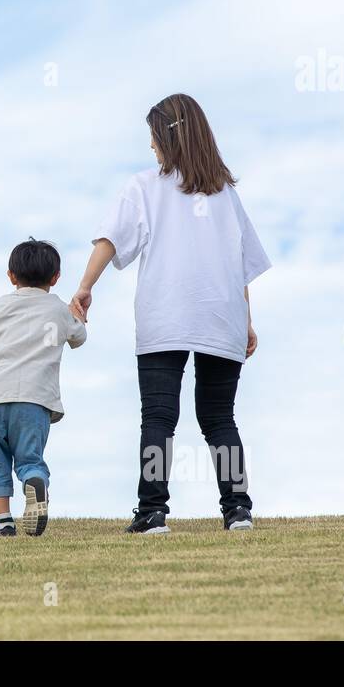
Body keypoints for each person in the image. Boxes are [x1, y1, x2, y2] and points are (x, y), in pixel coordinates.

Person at [70, 93, 270, 534]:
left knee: (159, 417)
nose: (151, 147)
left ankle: (152, 511)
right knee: (220, 418)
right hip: (223, 318)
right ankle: (238, 509)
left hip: (167, 316)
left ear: (167, 137)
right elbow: (240, 266)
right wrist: (246, 320)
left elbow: (109, 240)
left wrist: (85, 287)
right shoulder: (226, 196)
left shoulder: (144, 187)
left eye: (153, 137)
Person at [0, 239, 86, 537]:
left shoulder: (0, 307)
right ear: (55, 278)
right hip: (34, 398)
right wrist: (78, 315)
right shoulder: (58, 310)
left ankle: (4, 521)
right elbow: (78, 337)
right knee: (30, 457)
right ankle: (33, 479)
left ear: (11, 276)